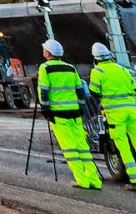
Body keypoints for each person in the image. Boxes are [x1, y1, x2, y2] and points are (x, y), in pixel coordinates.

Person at [88, 43, 136, 192]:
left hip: (115, 114)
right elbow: (135, 90)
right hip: (131, 111)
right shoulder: (122, 69)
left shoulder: (98, 71)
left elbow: (94, 92)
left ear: (95, 59)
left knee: (123, 147)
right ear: (109, 56)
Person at [36, 40, 102, 190]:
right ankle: (94, 180)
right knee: (83, 147)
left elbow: (43, 91)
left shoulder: (45, 68)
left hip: (58, 114)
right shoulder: (71, 68)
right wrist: (80, 108)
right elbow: (80, 90)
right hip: (75, 113)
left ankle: (82, 180)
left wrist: (45, 110)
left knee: (70, 149)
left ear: (48, 53)